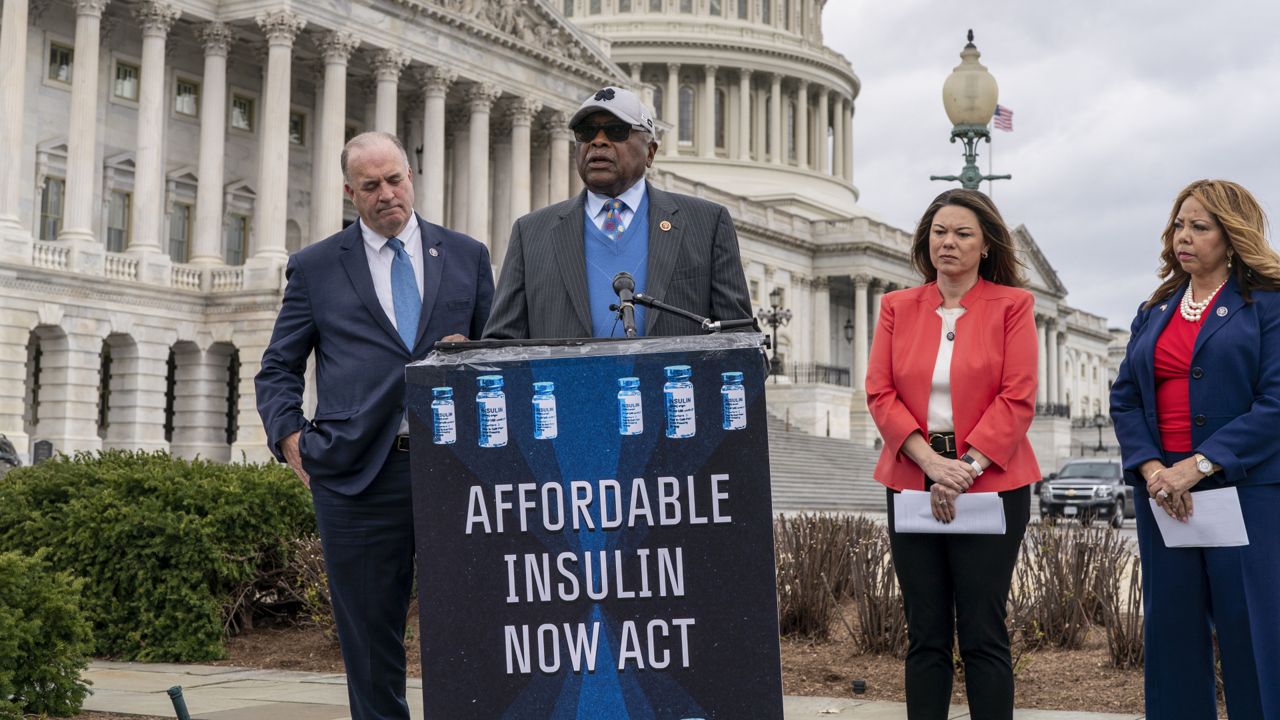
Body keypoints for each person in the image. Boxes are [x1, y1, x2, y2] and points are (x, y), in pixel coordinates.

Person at [255, 132, 493, 720]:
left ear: (411, 176)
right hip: (357, 478)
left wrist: (477, 354)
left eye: (395, 179)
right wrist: (291, 438)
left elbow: (505, 351)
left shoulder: (466, 255)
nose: (387, 195)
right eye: (371, 186)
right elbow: (278, 366)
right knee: (368, 641)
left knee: (471, 625)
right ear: (349, 193)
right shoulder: (314, 268)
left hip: (457, 470)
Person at [865, 188, 1039, 720]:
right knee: (926, 633)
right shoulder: (897, 305)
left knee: (983, 632)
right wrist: (930, 463)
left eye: (963, 233)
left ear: (985, 244)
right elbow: (880, 392)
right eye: (940, 231)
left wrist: (963, 468)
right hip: (913, 477)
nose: (949, 242)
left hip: (991, 482)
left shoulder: (1013, 305)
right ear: (926, 240)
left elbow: (1018, 396)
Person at [1110, 179, 1280, 718]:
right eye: (1179, 224)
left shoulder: (1268, 306)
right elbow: (1126, 397)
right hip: (1164, 496)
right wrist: (1156, 469)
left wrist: (1199, 466)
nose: (1183, 236)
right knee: (1173, 638)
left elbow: (1275, 402)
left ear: (1230, 238)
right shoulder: (1153, 309)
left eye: (1199, 227)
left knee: (1251, 634)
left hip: (1245, 493)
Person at [483, 86, 752, 339]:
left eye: (616, 131)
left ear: (650, 152)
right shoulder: (531, 233)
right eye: (586, 132)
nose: (598, 142)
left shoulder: (705, 224)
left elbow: (741, 340)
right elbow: (500, 346)